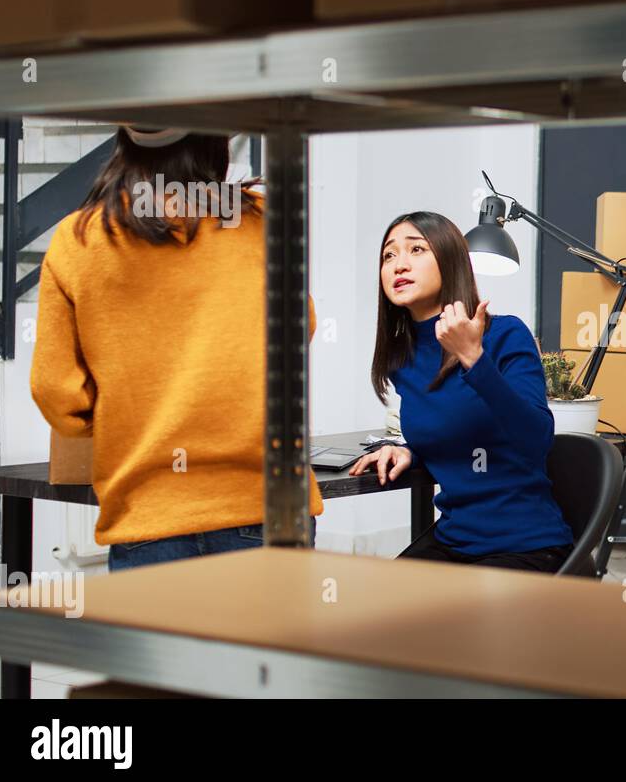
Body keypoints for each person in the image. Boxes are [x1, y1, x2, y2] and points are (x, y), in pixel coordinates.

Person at [30, 126, 324, 572]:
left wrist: (126, 419)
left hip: (148, 520)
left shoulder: (81, 238)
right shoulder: (261, 221)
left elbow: (58, 394)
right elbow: (299, 329)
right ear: (214, 141)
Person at [350, 211, 573, 572]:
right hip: (455, 540)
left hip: (526, 545)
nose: (398, 264)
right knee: (368, 611)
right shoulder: (403, 358)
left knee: (435, 623)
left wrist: (473, 357)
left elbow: (535, 438)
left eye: (416, 250)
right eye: (389, 255)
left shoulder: (504, 335)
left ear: (450, 260)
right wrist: (410, 451)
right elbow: (450, 428)